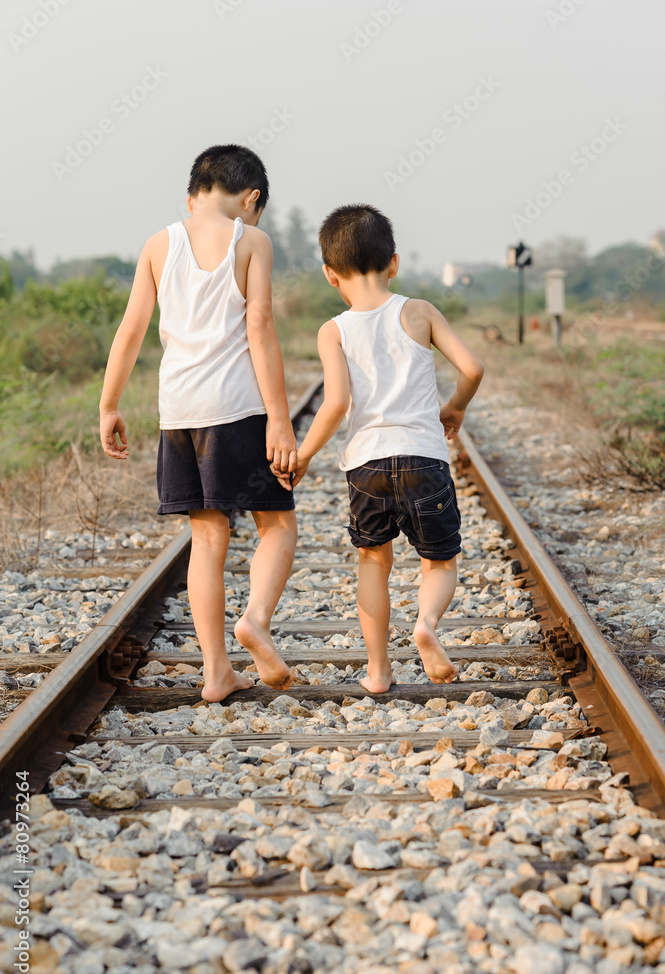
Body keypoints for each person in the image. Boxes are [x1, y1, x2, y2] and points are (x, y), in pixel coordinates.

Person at [99, 144, 298, 701]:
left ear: (197, 190)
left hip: (179, 412)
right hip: (237, 408)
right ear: (251, 198)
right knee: (277, 525)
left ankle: (216, 672)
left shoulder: (158, 244)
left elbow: (132, 328)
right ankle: (255, 620)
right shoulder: (251, 241)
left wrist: (108, 404)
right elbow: (259, 327)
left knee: (207, 540)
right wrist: (279, 420)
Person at [274, 204, 484, 693]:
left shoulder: (334, 330)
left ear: (330, 274)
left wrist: (303, 455)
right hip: (424, 459)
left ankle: (377, 670)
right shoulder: (419, 311)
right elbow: (472, 368)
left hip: (365, 465)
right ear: (394, 262)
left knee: (373, 561)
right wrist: (454, 409)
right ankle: (427, 624)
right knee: (440, 562)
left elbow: (336, 404)